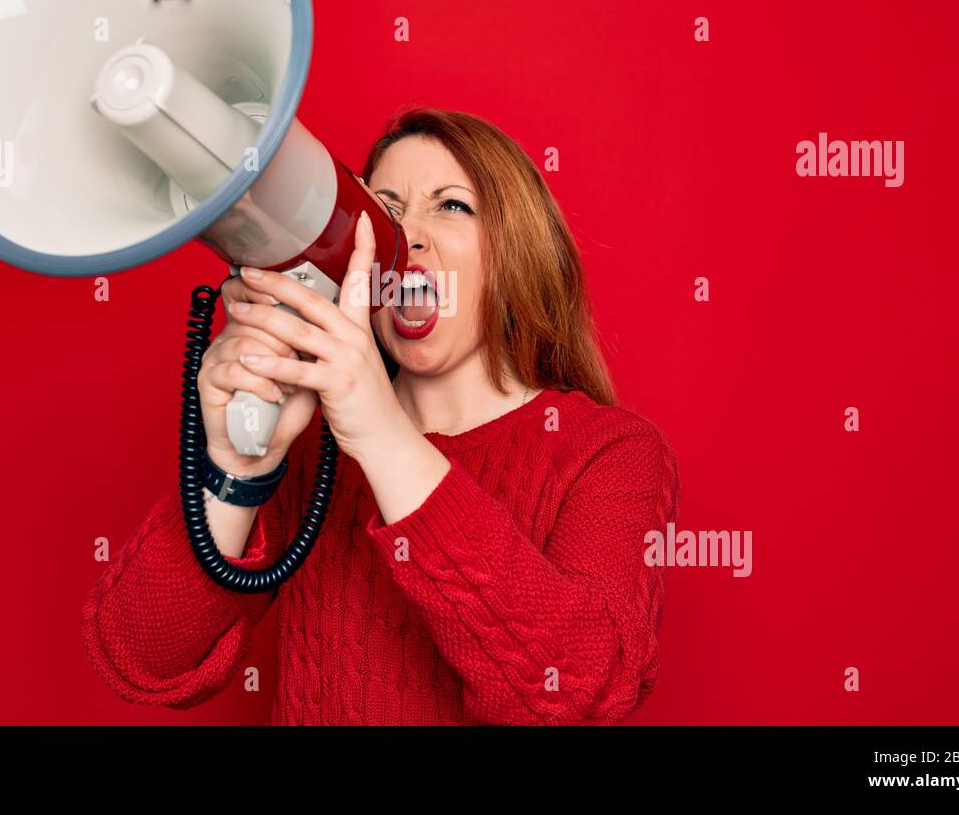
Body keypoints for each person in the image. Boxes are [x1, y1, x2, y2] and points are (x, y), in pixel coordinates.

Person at [81, 107, 681, 725]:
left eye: (450, 206)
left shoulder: (609, 453)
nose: (409, 236)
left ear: (517, 249)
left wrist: (382, 436)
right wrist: (239, 465)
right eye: (387, 211)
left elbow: (577, 692)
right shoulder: (311, 452)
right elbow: (145, 659)